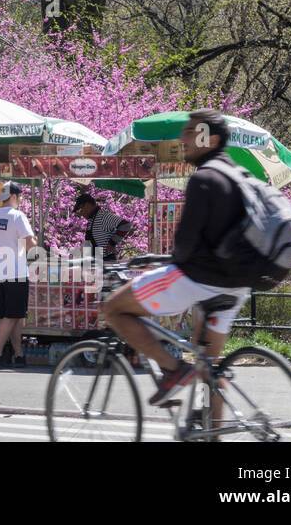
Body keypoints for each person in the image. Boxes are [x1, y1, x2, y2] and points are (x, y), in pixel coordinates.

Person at [101, 108, 252, 406]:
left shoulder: (204, 178)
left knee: (115, 308)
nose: (182, 138)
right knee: (210, 365)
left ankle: (172, 370)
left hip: (200, 279)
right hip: (236, 284)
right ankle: (214, 437)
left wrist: (162, 259)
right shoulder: (241, 176)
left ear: (211, 139)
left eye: (190, 132)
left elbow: (184, 244)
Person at [0, 183, 37, 368]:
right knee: (13, 315)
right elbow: (30, 244)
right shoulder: (17, 216)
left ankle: (18, 354)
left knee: (11, 315)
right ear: (14, 196)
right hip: (16, 272)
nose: (21, 200)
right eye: (20, 197)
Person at [76, 193, 132, 260]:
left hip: (106, 260)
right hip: (96, 260)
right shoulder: (92, 219)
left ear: (87, 205)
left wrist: (112, 242)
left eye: (81, 209)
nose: (81, 213)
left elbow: (125, 225)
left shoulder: (102, 216)